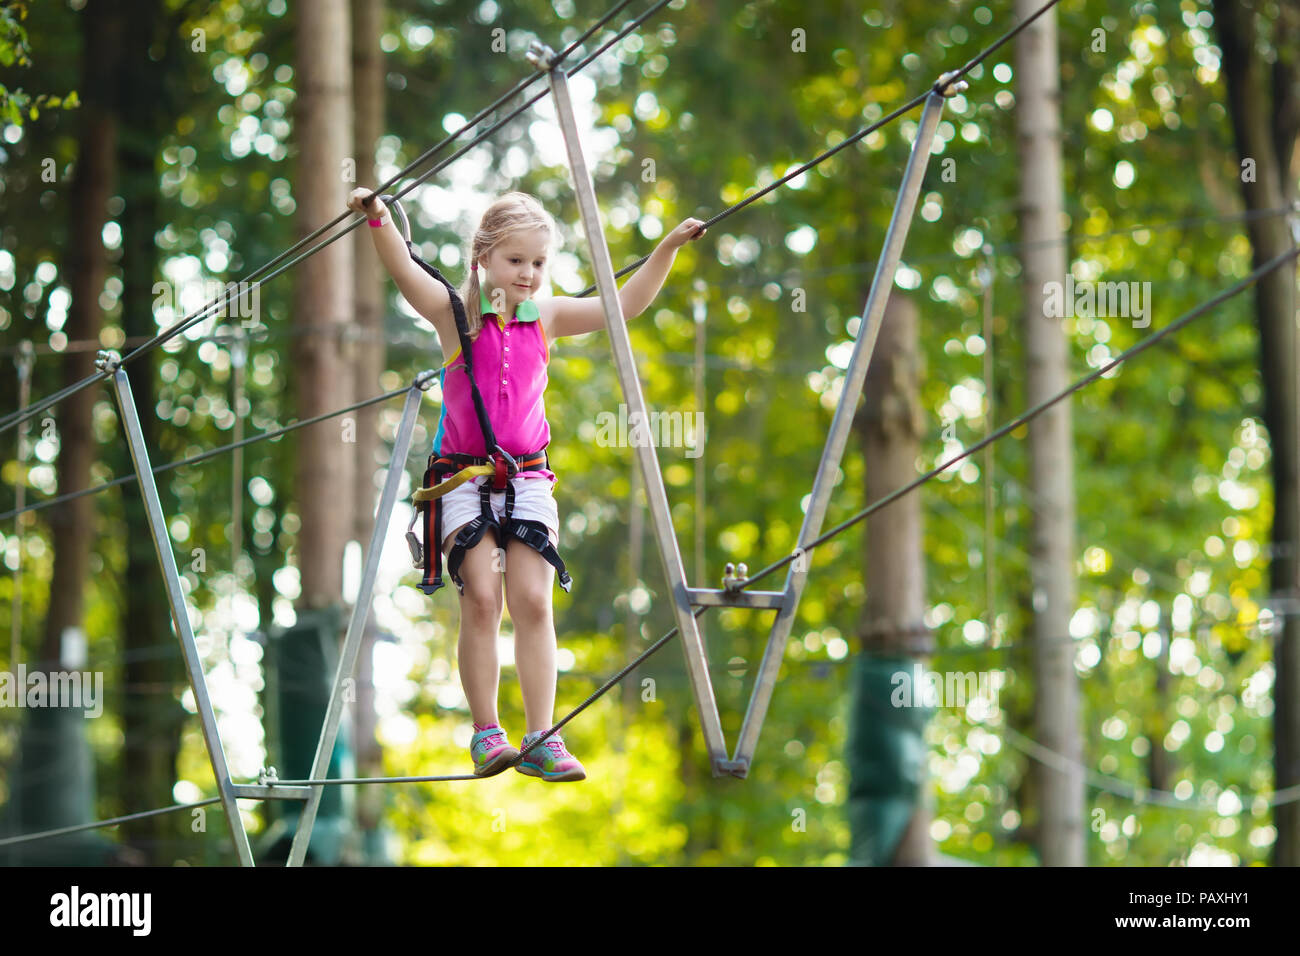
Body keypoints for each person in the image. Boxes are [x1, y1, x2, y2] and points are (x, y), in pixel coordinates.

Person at [347, 187, 705, 781]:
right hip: (462, 479)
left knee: (534, 601)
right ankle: (487, 731)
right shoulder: (452, 313)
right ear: (482, 258)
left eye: (539, 263)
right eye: (516, 261)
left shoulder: (553, 316)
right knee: (483, 598)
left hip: (528, 476)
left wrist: (666, 247)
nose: (529, 274)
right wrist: (378, 217)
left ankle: (543, 735)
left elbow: (626, 305)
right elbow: (403, 268)